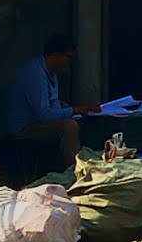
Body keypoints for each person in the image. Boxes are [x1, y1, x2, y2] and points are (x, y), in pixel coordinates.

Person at [7, 34, 98, 165]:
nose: (69, 62)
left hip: (39, 122)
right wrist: (75, 110)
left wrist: (79, 111)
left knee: (81, 120)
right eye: (68, 57)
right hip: (24, 128)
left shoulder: (52, 72)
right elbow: (45, 115)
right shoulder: (36, 74)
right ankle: (73, 168)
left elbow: (54, 105)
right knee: (69, 126)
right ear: (56, 55)